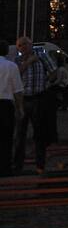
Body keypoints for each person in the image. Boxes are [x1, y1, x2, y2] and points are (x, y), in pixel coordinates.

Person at [12, 35, 54, 174]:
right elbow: (16, 75)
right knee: (20, 134)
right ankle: (18, 165)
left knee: (39, 133)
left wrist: (46, 82)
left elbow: (53, 71)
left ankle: (40, 165)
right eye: (20, 45)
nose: (23, 48)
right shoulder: (17, 61)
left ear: (31, 45)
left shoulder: (42, 56)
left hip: (38, 98)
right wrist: (29, 62)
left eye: (25, 44)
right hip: (23, 99)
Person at [0, 40, 24, 177]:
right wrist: (20, 108)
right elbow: (18, 90)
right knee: (6, 137)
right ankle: (5, 167)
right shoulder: (11, 66)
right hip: (5, 104)